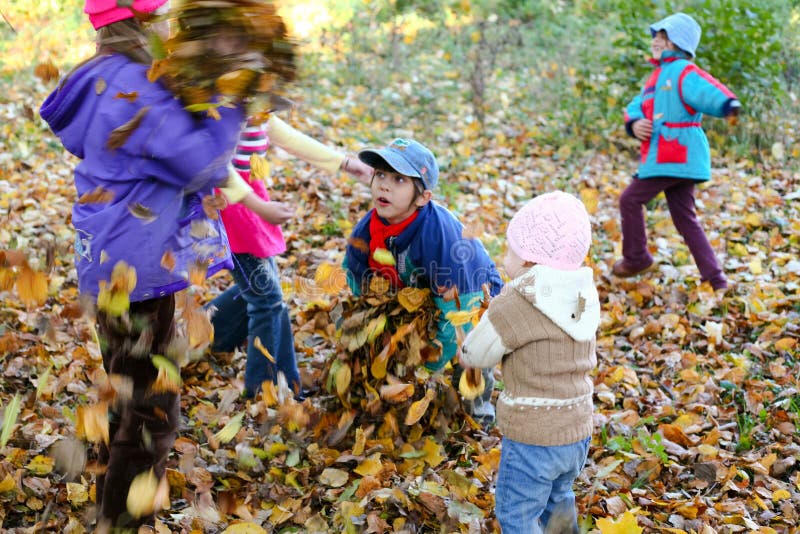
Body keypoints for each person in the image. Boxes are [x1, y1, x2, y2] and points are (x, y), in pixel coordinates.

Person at [39, 0, 246, 529]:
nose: (169, 29)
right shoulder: (136, 86)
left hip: (109, 265)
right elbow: (200, 160)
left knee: (125, 384)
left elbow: (148, 162)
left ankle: (111, 487)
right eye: (161, 20)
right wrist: (234, 102)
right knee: (154, 413)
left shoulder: (101, 80)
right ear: (139, 24)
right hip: (136, 273)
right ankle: (120, 519)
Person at [460, 191, 600, 533]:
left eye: (509, 250)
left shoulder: (518, 298)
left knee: (517, 515)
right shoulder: (582, 291)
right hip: (577, 429)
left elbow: (477, 352)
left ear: (526, 260)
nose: (504, 257)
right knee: (558, 500)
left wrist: (466, 351)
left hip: (534, 436)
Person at [211, 113, 372, 399]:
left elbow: (291, 139)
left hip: (250, 207)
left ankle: (204, 334)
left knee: (262, 288)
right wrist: (260, 207)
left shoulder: (255, 109)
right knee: (267, 298)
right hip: (230, 210)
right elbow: (214, 165)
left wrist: (346, 164)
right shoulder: (222, 108)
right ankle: (267, 389)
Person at [343, 138, 503, 425]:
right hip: (419, 291)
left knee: (471, 353)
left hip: (471, 292)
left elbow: (458, 314)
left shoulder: (440, 238)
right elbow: (355, 274)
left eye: (399, 179)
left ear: (422, 197)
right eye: (380, 174)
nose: (384, 185)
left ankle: (479, 415)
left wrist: (432, 362)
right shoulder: (368, 229)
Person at [613, 12, 740, 291]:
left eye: (662, 37)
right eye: (655, 36)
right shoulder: (655, 78)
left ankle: (636, 257)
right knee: (685, 218)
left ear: (677, 43)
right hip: (673, 159)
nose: (655, 42)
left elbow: (707, 90)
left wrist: (727, 103)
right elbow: (635, 107)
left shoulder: (683, 71)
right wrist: (634, 124)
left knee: (629, 200)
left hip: (673, 154)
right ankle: (716, 279)